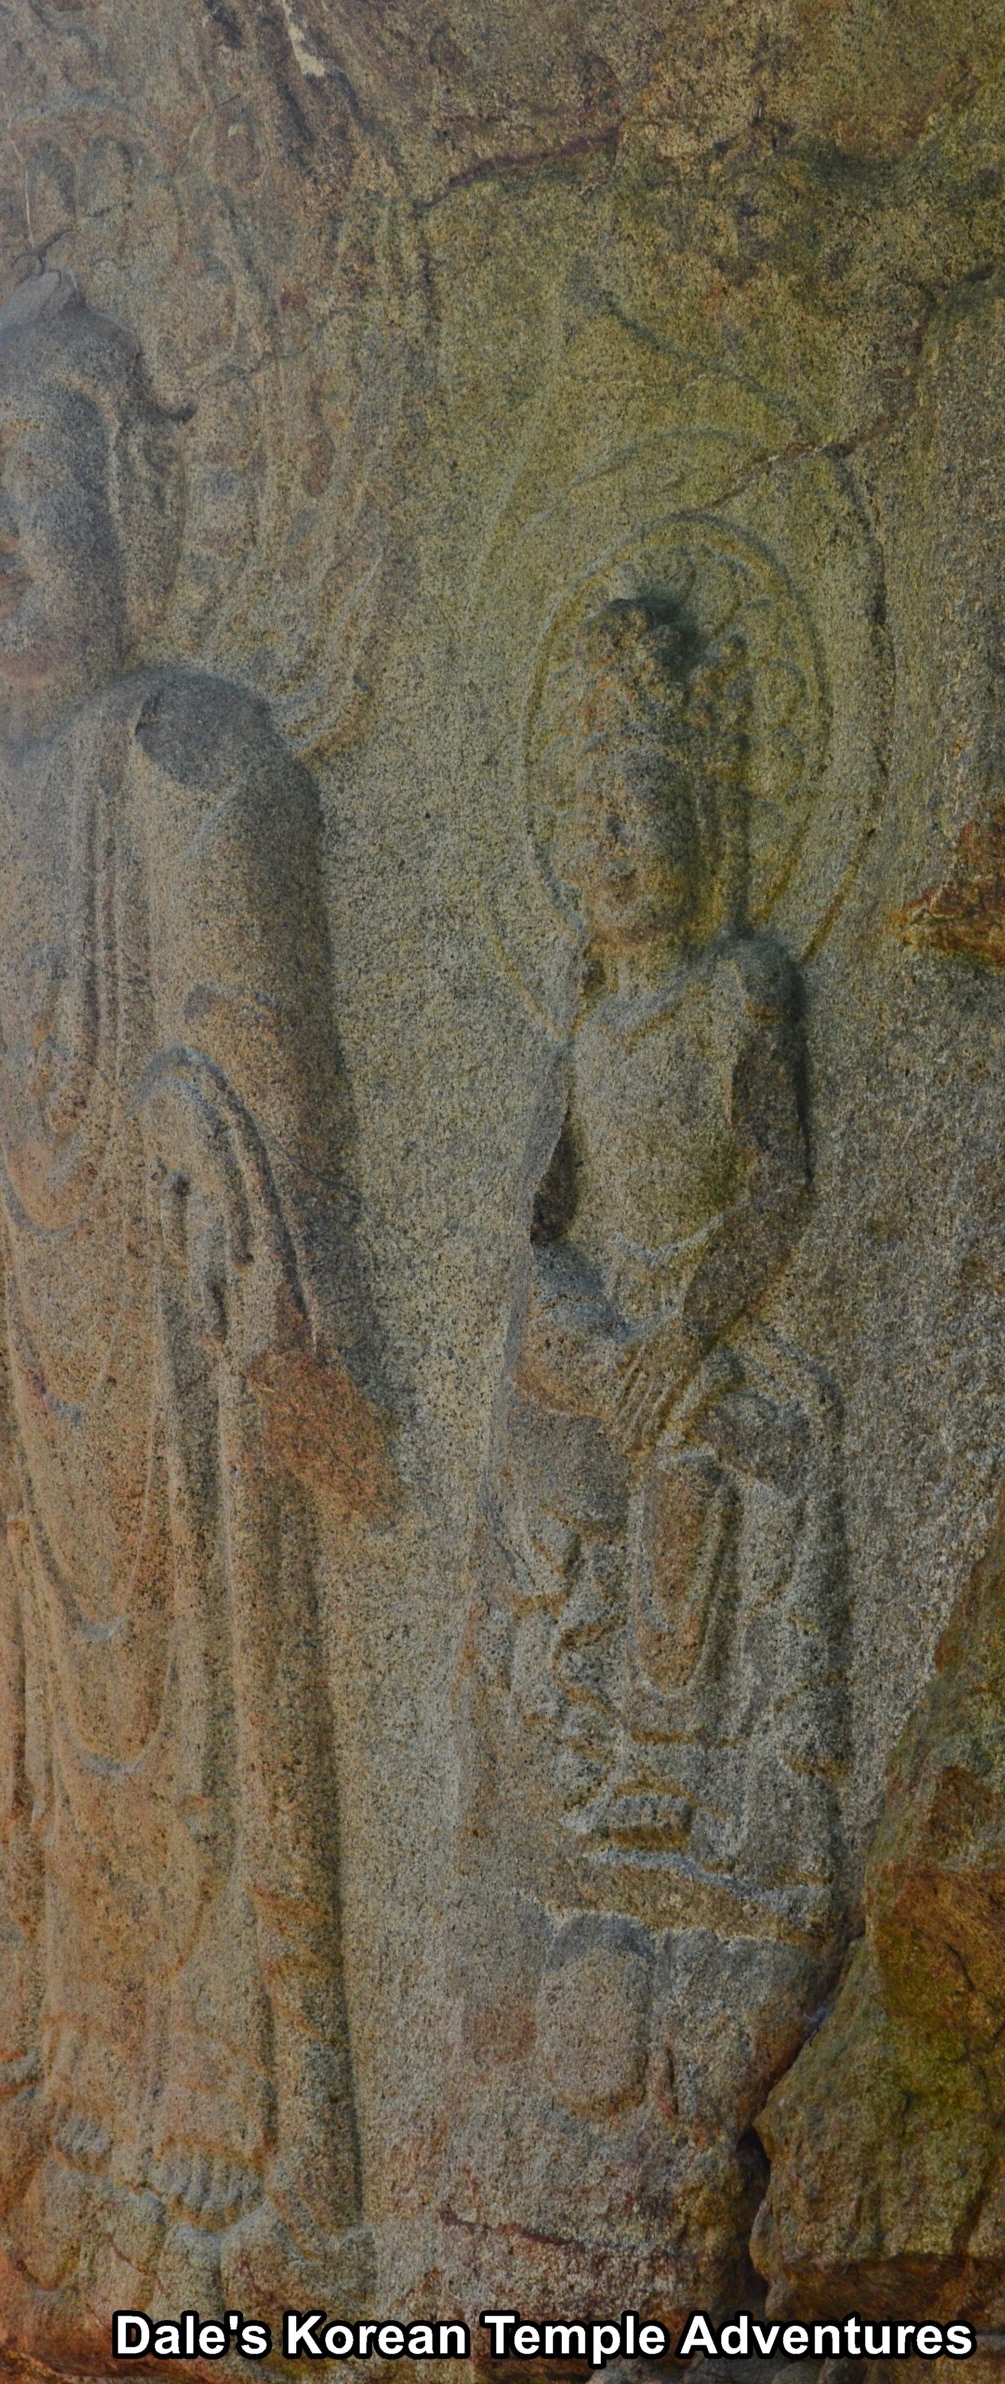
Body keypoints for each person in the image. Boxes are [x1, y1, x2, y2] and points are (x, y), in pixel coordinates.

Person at [0, 270, 381, 2344]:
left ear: (145, 514)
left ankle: (277, 2127)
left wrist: (201, 1124)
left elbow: (282, 1086)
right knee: (67, 1755)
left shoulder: (193, 755)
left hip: (186, 1366)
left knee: (216, 1720)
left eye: (37, 482)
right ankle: (94, 2096)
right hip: (35, 1345)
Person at [489, 596, 842, 1912]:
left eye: (636, 809)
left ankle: (667, 1746)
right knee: (542, 1393)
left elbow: (778, 1187)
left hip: (712, 1304)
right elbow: (542, 1219)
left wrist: (690, 1325)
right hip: (609, 1319)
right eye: (589, 824)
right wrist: (579, 1321)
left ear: (707, 820)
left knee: (685, 1448)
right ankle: (555, 1715)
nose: (608, 847)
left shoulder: (739, 988)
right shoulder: (583, 1024)